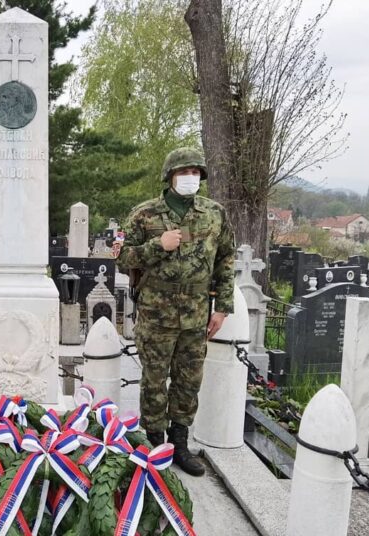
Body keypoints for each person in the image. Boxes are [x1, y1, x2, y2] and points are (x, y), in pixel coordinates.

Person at [116, 147, 235, 476]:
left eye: (196, 173)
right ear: (169, 176)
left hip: (197, 314)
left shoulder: (214, 213)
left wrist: (223, 307)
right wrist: (158, 246)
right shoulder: (145, 214)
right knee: (154, 381)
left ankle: (179, 443)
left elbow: (226, 259)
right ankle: (155, 444)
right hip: (156, 313)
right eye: (184, 173)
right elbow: (123, 257)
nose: (190, 178)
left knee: (188, 382)